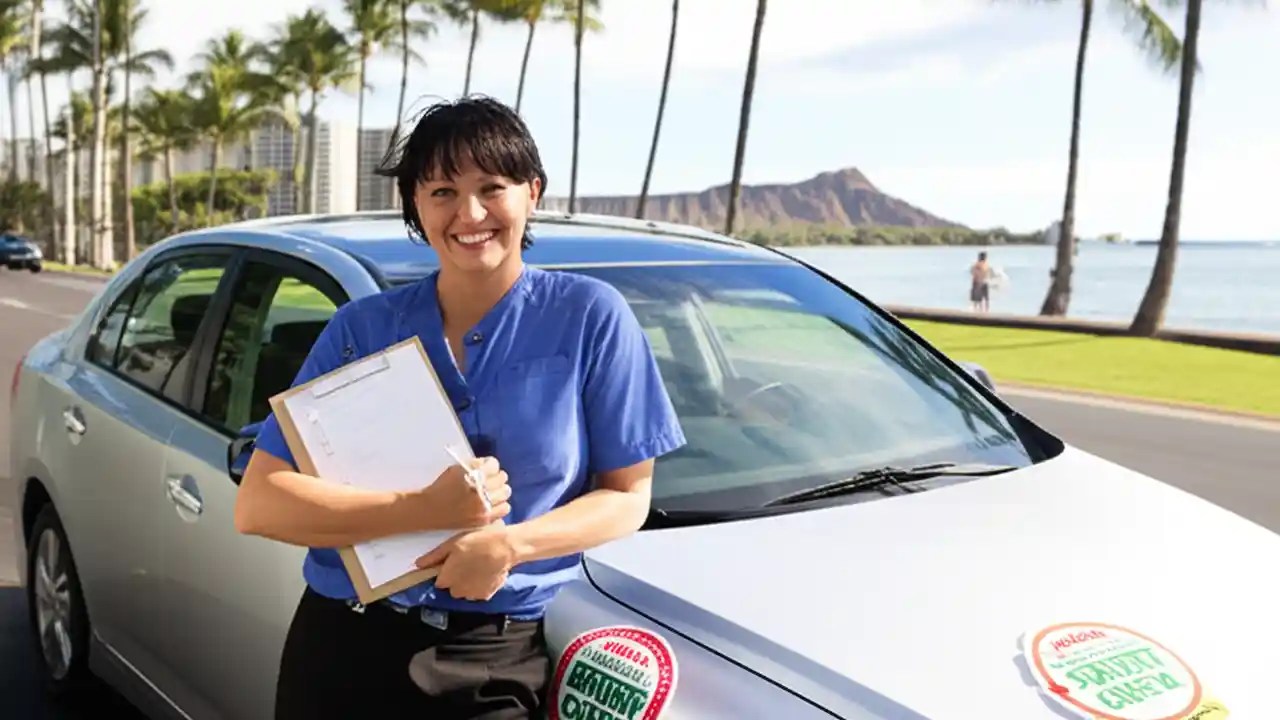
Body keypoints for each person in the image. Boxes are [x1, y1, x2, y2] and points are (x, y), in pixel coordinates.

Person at [233, 96, 687, 719]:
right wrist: (423, 509)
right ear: (416, 206)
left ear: (532, 192)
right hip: (342, 641)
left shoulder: (589, 316)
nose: (468, 213)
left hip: (489, 657)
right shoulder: (362, 328)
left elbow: (627, 496)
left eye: (491, 187)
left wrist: (510, 546)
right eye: (442, 191)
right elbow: (262, 503)